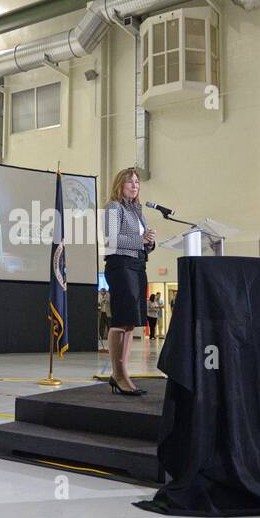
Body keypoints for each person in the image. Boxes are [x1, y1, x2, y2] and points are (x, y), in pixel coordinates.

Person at [102, 167, 156, 396]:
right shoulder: (113, 207)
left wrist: (150, 242)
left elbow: (140, 242)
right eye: (130, 182)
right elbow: (111, 239)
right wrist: (140, 238)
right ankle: (118, 373)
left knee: (131, 323)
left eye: (137, 182)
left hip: (137, 265)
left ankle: (122, 374)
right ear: (120, 185)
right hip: (120, 265)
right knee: (121, 321)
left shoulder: (137, 210)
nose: (135, 185)